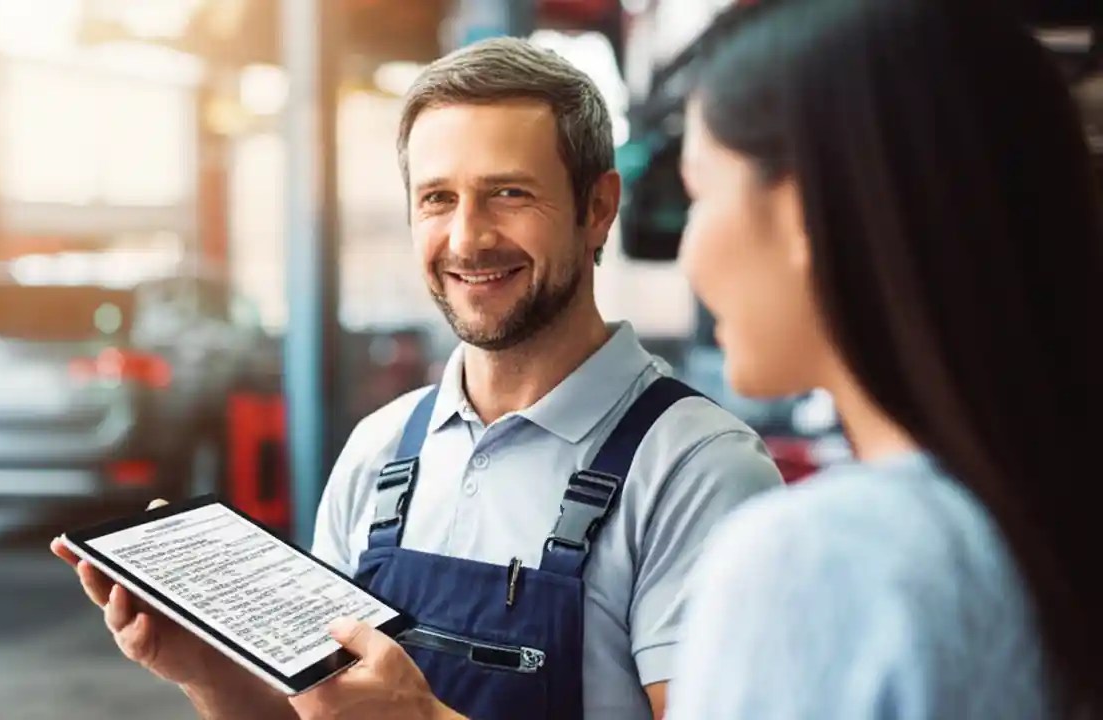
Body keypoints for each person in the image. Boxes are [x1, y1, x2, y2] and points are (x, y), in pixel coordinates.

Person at [283, 1, 1103, 718]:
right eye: (435, 198)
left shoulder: (798, 538)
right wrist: (209, 675)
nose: (690, 253)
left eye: (701, 191)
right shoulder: (1028, 519)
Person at [52, 37, 782, 720]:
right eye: (438, 198)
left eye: (509, 194)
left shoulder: (698, 471)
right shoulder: (379, 452)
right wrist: (208, 671)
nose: (467, 238)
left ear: (597, 209)